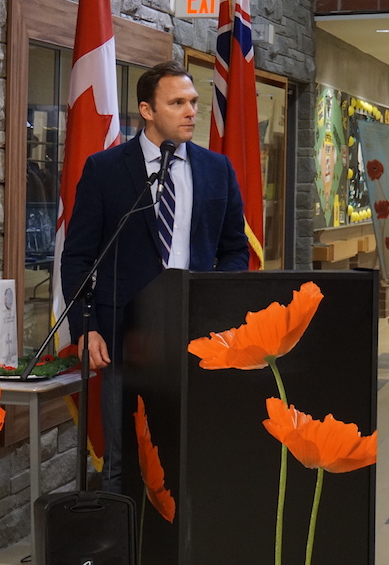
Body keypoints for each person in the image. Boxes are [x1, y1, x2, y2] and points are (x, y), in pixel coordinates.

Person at [60, 60, 249, 492]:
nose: (191, 112)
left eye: (193, 102)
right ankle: (122, 533)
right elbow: (78, 257)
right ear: (147, 110)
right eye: (177, 103)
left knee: (191, 450)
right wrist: (86, 329)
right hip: (123, 337)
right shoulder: (105, 169)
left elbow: (235, 250)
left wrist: (214, 299)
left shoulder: (217, 169)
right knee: (122, 460)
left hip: (196, 331)